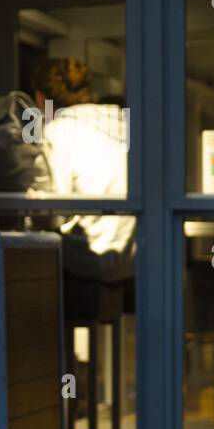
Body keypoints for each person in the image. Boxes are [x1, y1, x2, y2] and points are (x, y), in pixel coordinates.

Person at [31, 57, 134, 283]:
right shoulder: (125, 124)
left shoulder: (57, 133)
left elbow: (52, 213)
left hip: (88, 265)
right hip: (136, 259)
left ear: (40, 99)